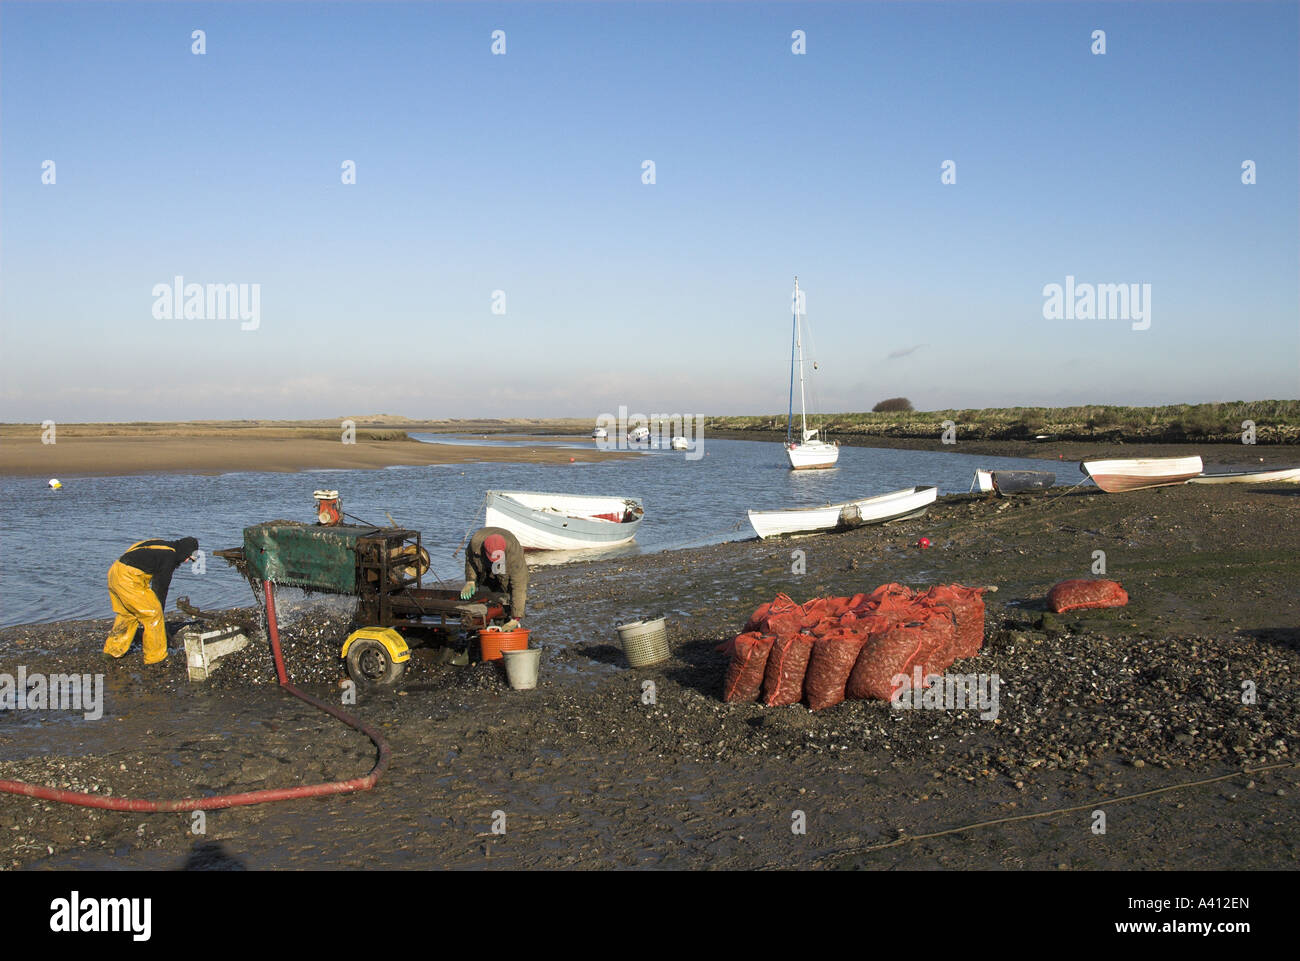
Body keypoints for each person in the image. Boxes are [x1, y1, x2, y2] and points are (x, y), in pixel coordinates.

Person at [103, 537, 199, 665]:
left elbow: (132, 550)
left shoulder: (160, 544)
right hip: (130, 578)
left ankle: (112, 651)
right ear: (184, 551)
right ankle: (155, 658)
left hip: (115, 572)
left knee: (128, 615)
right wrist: (159, 611)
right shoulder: (169, 557)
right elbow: (160, 588)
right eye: (188, 557)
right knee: (153, 614)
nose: (186, 561)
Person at [460, 527, 527, 629]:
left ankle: (503, 624)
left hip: (505, 571)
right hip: (484, 569)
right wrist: (470, 580)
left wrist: (516, 618)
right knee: (483, 597)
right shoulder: (476, 542)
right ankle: (479, 628)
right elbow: (470, 560)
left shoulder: (514, 553)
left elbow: (519, 585)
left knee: (505, 599)